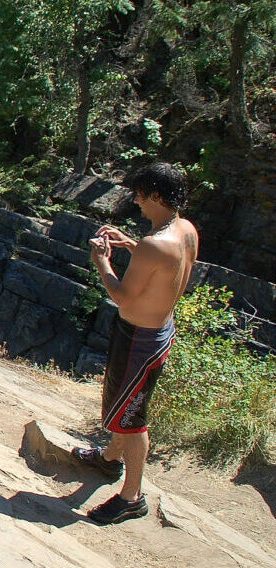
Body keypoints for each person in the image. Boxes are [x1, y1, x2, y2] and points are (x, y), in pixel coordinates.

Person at [74, 162, 199, 525]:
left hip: (138, 340)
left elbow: (124, 298)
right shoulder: (185, 230)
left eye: (141, 195)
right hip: (160, 331)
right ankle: (110, 460)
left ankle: (131, 497)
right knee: (125, 405)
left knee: (132, 418)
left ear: (156, 195)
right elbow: (169, 266)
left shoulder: (153, 244)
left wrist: (102, 261)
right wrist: (130, 244)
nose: (137, 202)